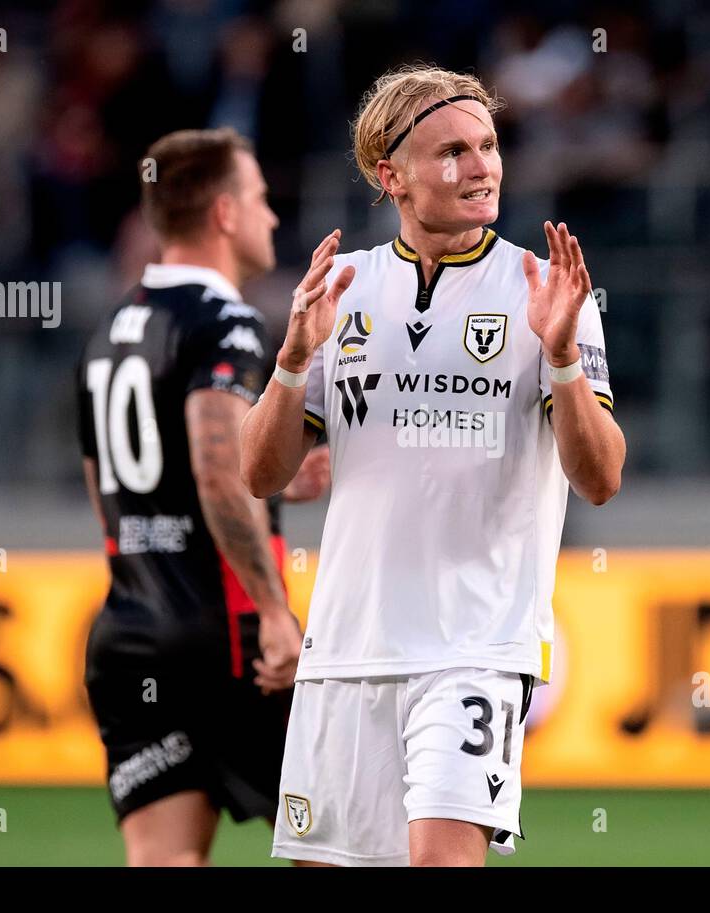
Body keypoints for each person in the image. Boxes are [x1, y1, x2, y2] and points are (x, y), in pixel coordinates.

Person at [240, 66, 626, 866]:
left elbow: (601, 478)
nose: (481, 165)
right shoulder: (346, 290)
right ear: (392, 175)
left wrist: (558, 358)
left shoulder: (547, 291)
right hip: (344, 651)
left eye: (487, 146)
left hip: (472, 649)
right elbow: (259, 473)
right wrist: (290, 360)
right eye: (452, 150)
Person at [75, 128, 328, 865]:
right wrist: (274, 611)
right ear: (223, 213)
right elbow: (218, 470)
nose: (271, 216)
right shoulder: (226, 324)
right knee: (341, 842)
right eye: (258, 198)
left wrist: (279, 482)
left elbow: (111, 491)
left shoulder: (110, 333)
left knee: (167, 861)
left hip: (131, 631)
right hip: (229, 636)